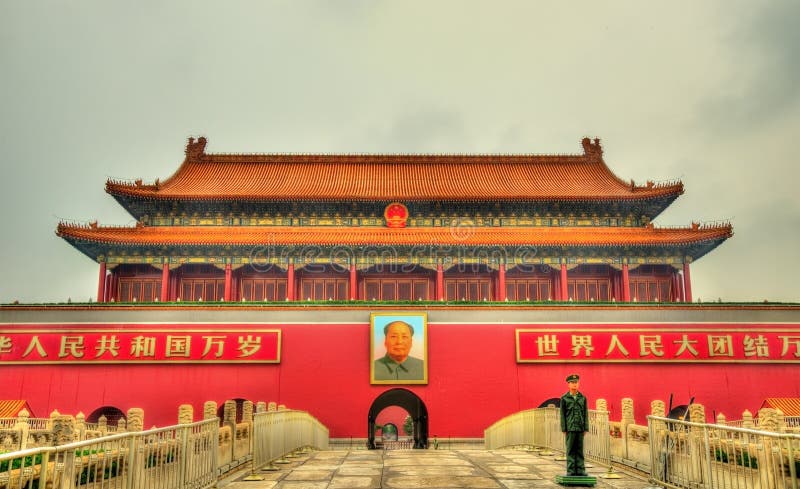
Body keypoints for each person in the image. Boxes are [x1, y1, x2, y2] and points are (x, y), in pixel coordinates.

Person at [559, 373, 589, 476]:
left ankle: (581, 470)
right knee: (571, 449)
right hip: (570, 428)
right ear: (568, 384)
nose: (574, 384)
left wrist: (586, 428)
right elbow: (562, 414)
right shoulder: (564, 398)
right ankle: (571, 470)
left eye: (576, 382)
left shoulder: (583, 398)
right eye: (572, 383)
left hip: (580, 428)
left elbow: (585, 413)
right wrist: (564, 428)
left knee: (579, 450)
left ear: (578, 384)